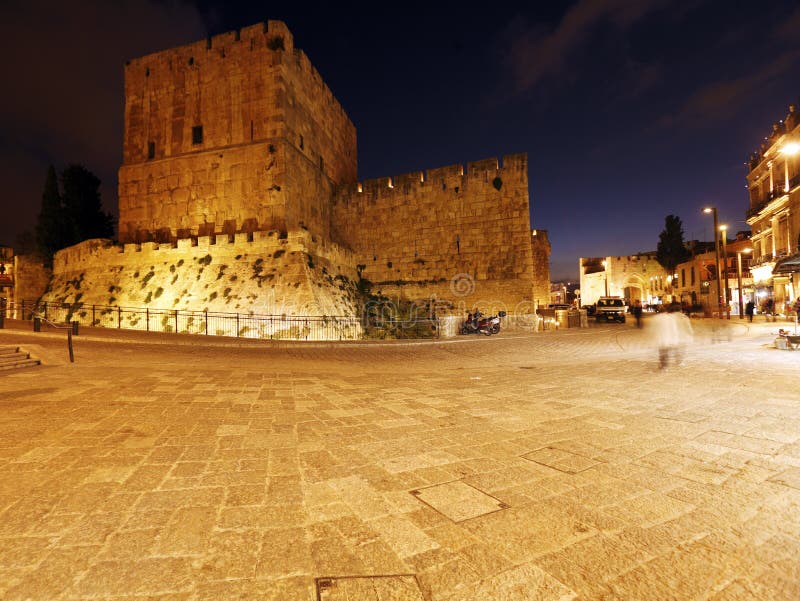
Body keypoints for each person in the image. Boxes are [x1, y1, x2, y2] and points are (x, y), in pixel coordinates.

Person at [651, 302, 693, 370]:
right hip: (681, 337)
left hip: (668, 337)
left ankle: (664, 365)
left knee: (665, 351)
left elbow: (659, 328)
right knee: (679, 351)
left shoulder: (669, 317)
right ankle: (678, 361)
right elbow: (687, 327)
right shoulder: (682, 317)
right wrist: (690, 333)